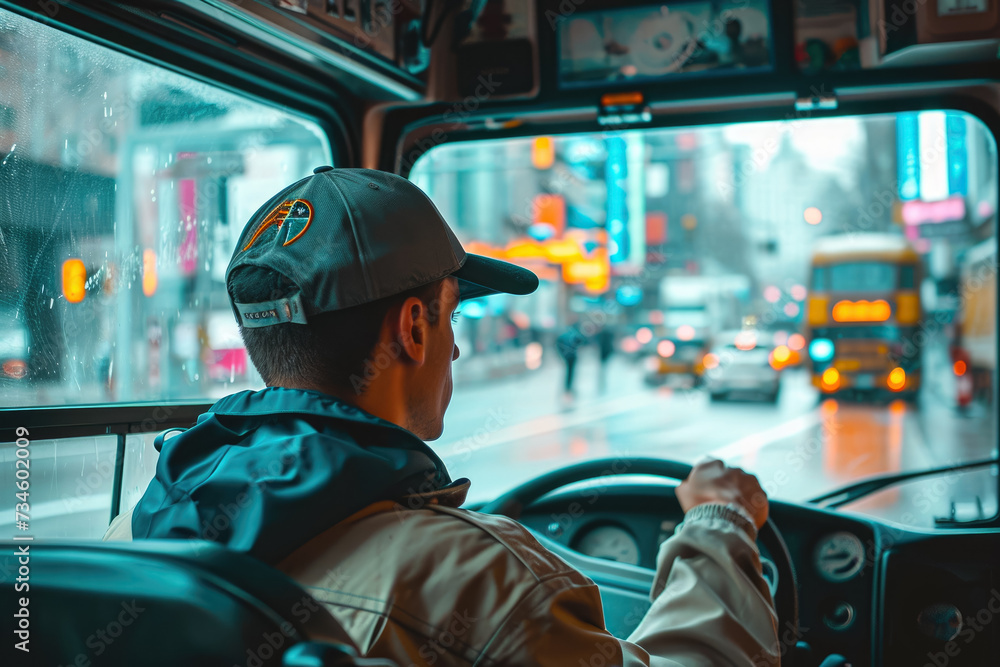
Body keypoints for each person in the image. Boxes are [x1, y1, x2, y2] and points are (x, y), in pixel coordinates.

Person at [105, 167, 779, 665]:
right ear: (413, 330)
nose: (456, 345)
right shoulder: (492, 582)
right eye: (451, 315)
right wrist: (718, 526)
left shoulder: (123, 544)